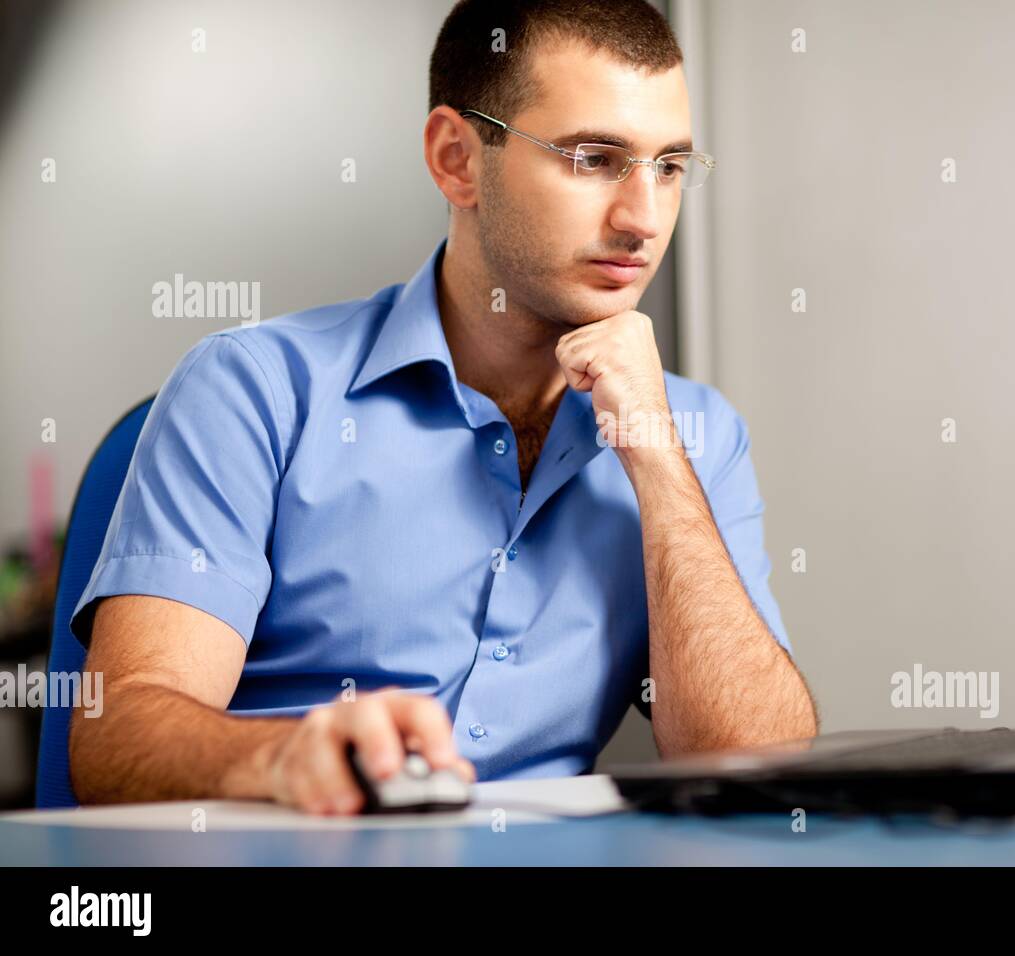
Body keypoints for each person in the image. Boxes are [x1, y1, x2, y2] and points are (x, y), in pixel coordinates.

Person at [69, 0, 817, 816]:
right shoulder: (253, 389)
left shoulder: (696, 435)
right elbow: (116, 740)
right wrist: (284, 756)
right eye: (594, 158)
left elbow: (758, 770)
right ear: (457, 158)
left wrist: (656, 458)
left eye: (669, 166)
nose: (642, 218)